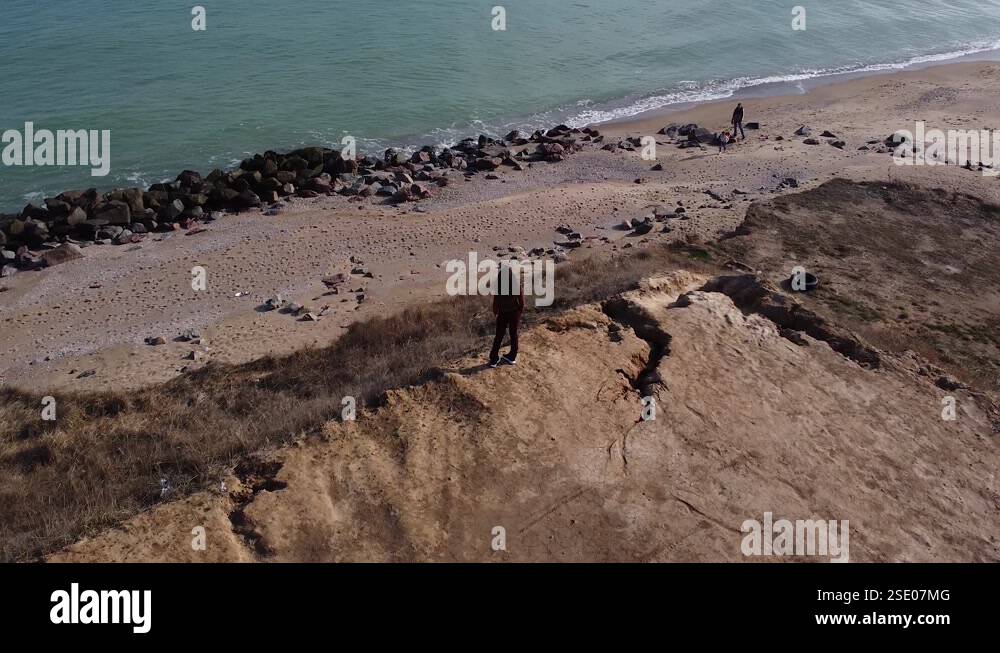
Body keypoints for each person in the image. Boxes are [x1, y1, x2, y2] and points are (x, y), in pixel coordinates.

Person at [489, 262, 524, 367]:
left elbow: (496, 302)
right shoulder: (516, 284)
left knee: (499, 336)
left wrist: (495, 312)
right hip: (514, 313)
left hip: (503, 313)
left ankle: (494, 359)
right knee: (513, 335)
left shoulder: (498, 286)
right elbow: (521, 300)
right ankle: (512, 357)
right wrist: (519, 312)